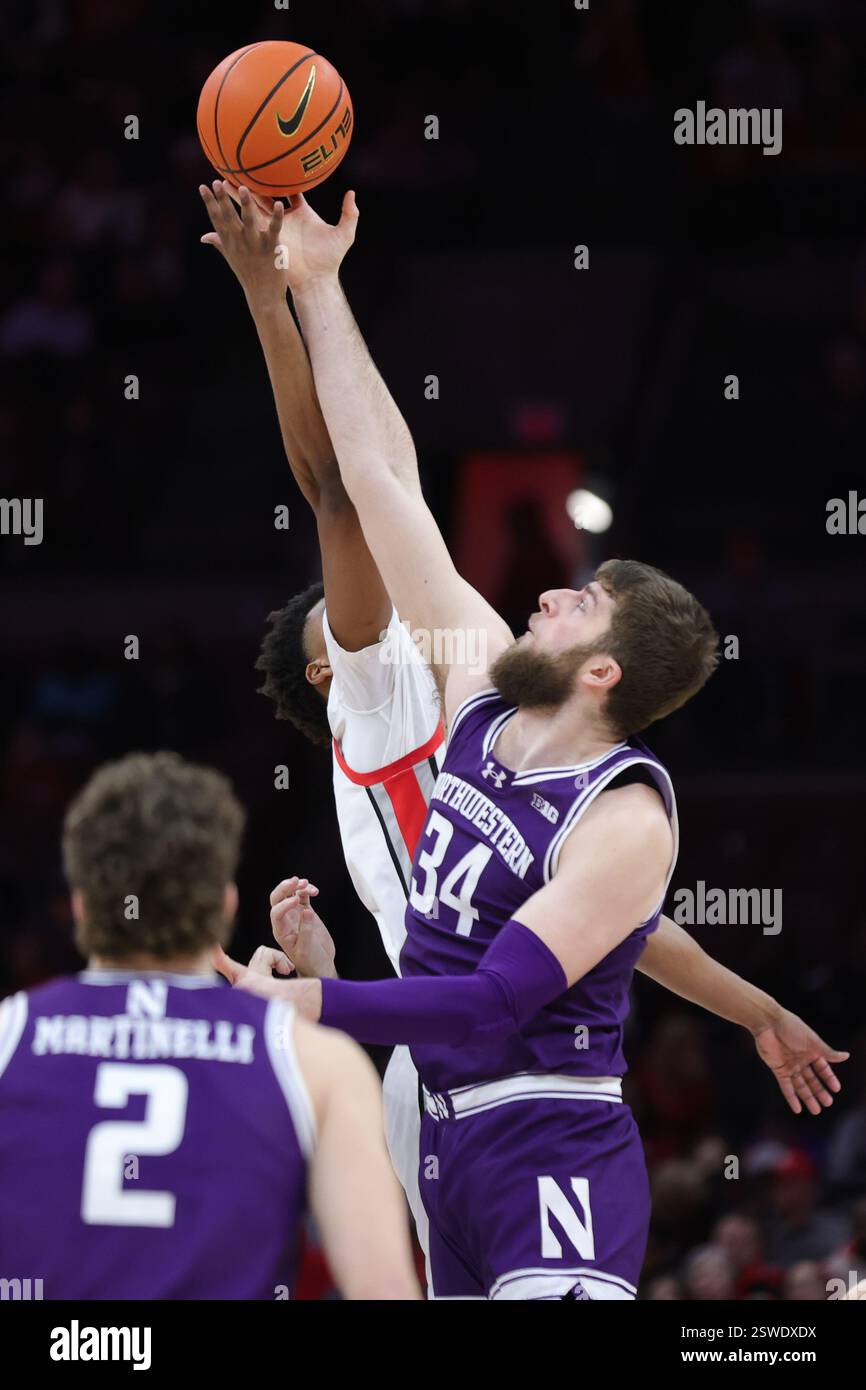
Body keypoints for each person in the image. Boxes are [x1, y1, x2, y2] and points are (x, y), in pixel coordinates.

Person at [220, 187, 849, 1301]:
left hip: (543, 1141)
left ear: (601, 672)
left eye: (581, 603)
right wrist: (315, 286)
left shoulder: (620, 814)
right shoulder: (473, 689)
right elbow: (375, 480)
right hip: (441, 1128)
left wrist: (306, 1001)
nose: (551, 593)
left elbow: (503, 992)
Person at [0, 751, 419, 1301]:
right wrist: (288, 1016)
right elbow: (382, 1289)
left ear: (79, 905)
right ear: (226, 903)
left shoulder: (8, 1037)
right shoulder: (312, 1060)